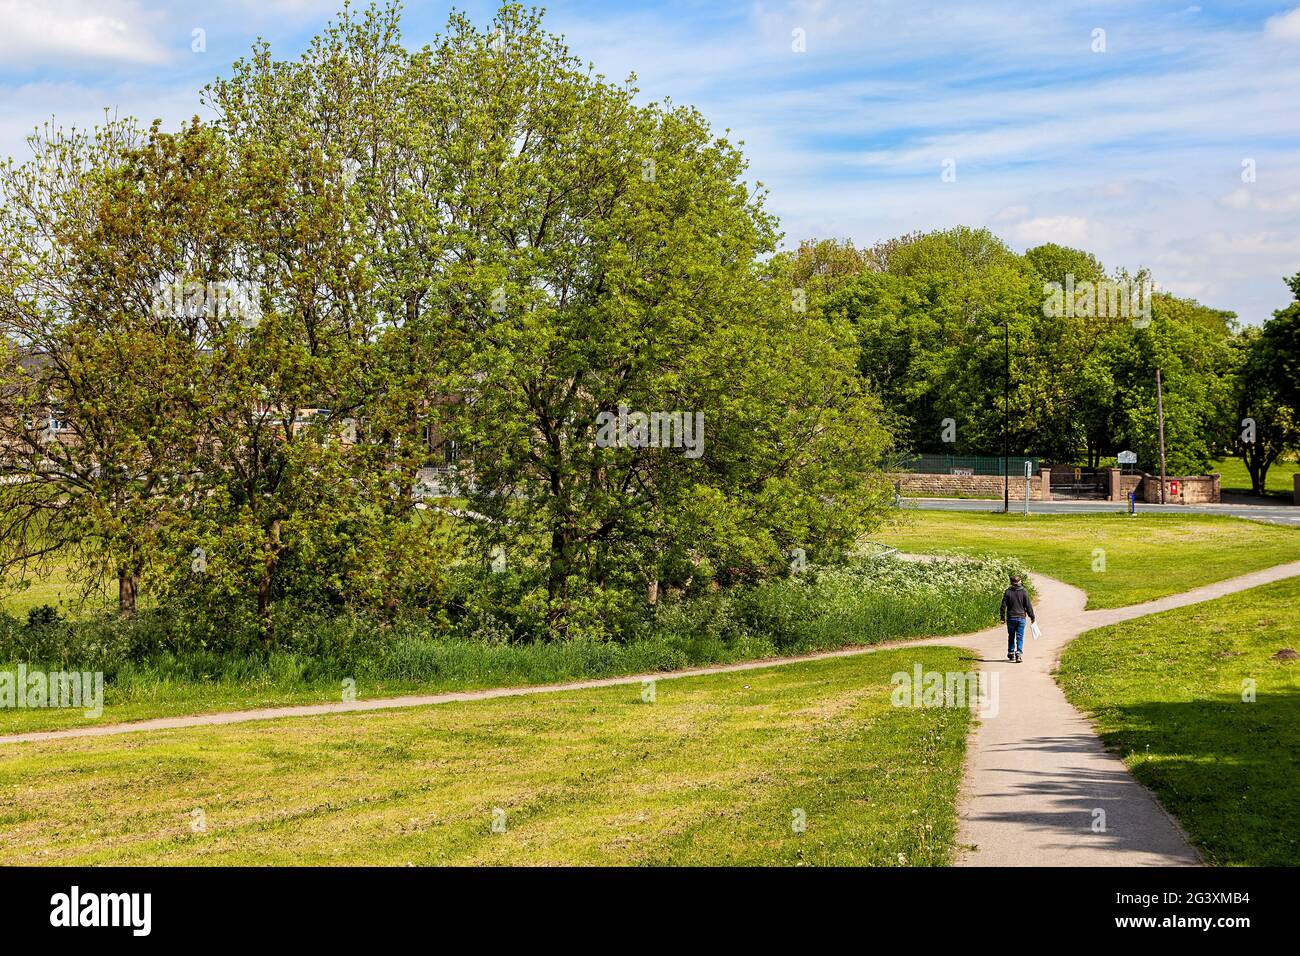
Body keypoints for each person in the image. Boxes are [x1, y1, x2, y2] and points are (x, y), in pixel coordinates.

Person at [999, 574, 1035, 663]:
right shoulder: (1024, 592)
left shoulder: (1008, 592)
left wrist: (1002, 617)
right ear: (1019, 582)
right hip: (1021, 617)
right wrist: (1032, 617)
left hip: (1011, 618)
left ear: (1011, 582)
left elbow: (1003, 606)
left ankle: (1011, 652)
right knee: (1020, 636)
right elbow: (1028, 606)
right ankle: (1018, 653)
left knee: (1011, 636)